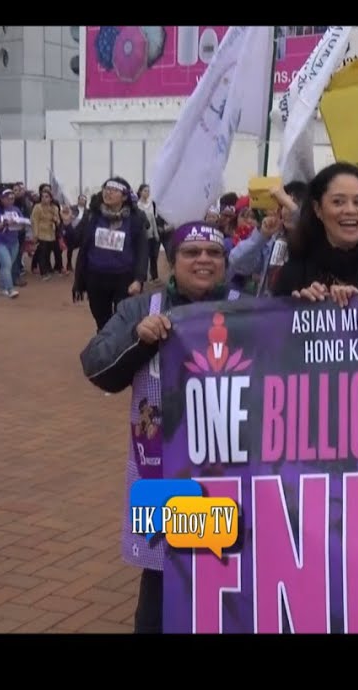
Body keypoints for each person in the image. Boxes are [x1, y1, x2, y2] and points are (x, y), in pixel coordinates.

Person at [79, 220, 241, 634]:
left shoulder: (249, 308)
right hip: (166, 475)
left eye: (214, 253)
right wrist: (139, 339)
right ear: (170, 260)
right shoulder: (142, 309)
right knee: (164, 585)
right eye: (191, 252)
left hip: (234, 476)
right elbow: (96, 365)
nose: (203, 260)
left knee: (232, 575)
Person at [272, 162, 358, 305]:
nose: (350, 210)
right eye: (338, 202)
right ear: (318, 209)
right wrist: (298, 308)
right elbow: (275, 317)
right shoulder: (292, 275)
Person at [68, 178, 149, 331]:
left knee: (123, 320)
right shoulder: (93, 216)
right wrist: (67, 225)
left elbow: (142, 251)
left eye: (114, 190)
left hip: (124, 279)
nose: (108, 192)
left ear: (124, 197)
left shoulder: (135, 219)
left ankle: (118, 343)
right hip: (96, 278)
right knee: (102, 322)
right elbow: (74, 240)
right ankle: (104, 342)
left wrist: (138, 279)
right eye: (106, 189)